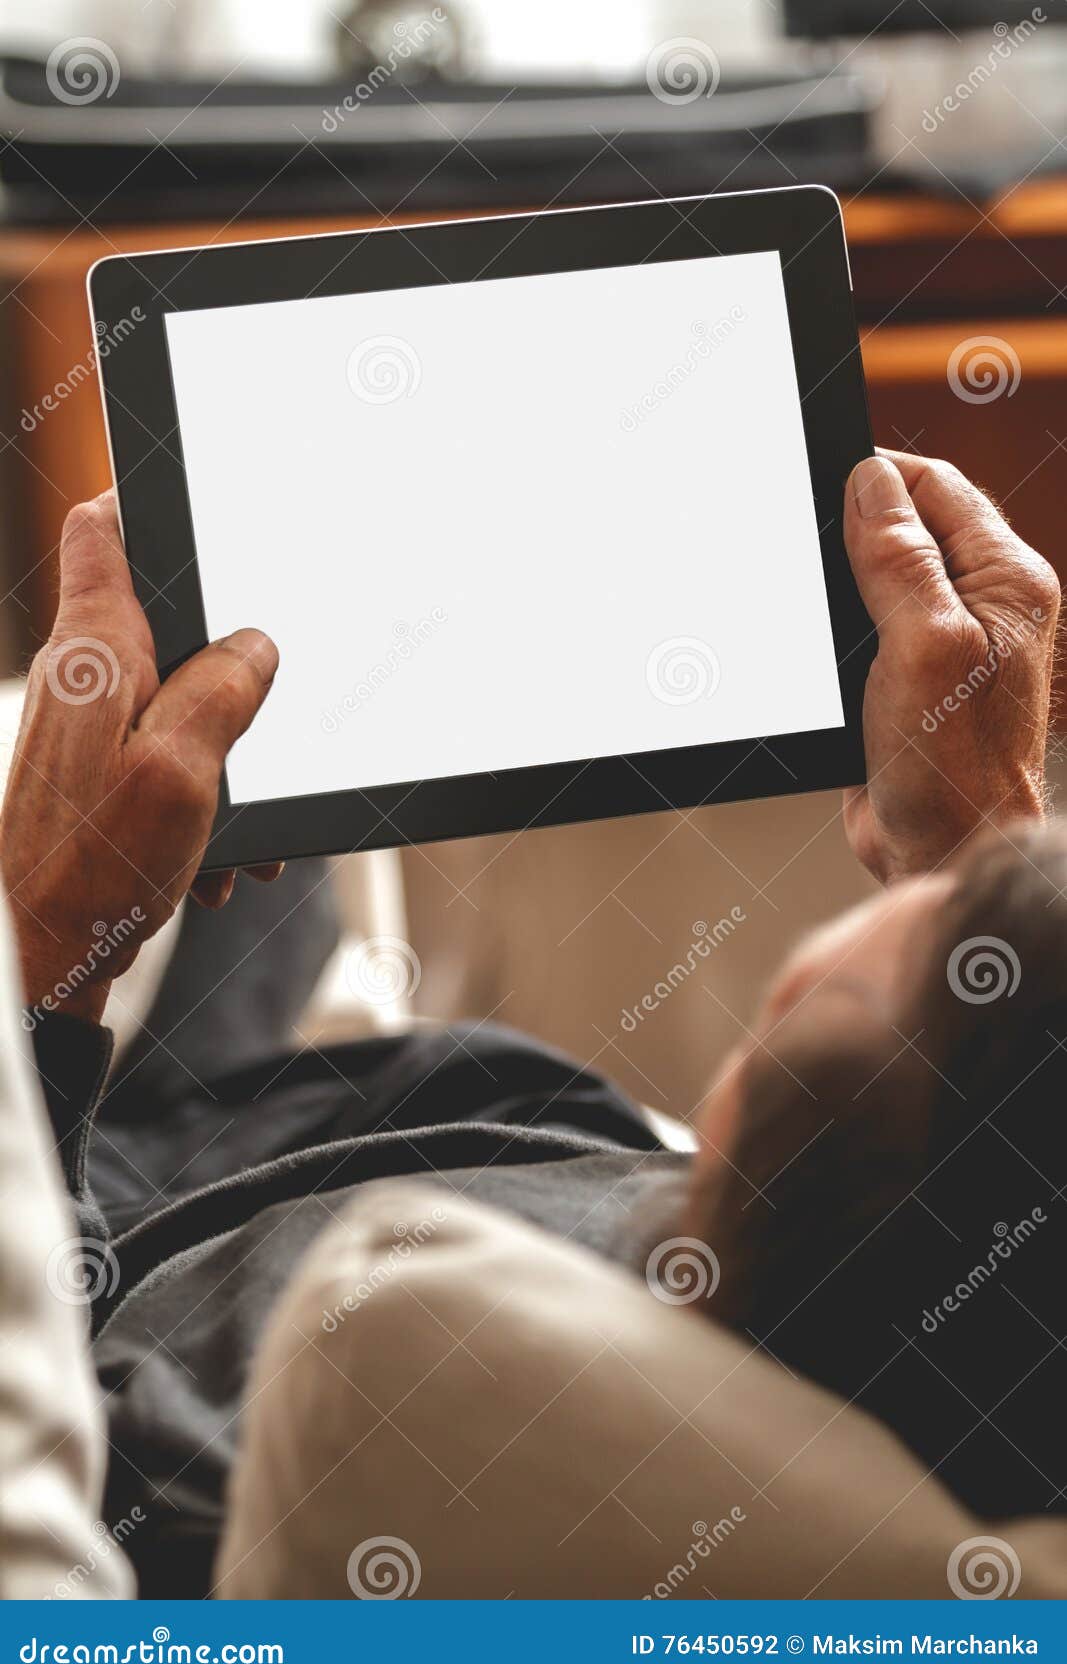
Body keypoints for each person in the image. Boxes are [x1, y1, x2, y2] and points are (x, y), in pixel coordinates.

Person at [1, 451, 1059, 1595]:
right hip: (325, 1124)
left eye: (953, 920)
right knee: (261, 828)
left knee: (220, 750)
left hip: (93, 1209)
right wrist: (978, 837)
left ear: (771, 1037)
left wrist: (48, 937)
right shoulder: (915, 1316)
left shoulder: (211, 1448)